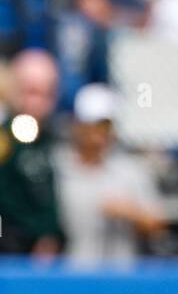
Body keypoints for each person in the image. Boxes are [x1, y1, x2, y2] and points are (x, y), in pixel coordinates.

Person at [55, 84, 165, 266]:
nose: (98, 133)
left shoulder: (131, 170)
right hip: (72, 275)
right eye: (93, 125)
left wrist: (130, 212)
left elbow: (157, 224)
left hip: (120, 277)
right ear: (78, 125)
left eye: (105, 125)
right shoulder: (59, 166)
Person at [0, 48, 63, 257]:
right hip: (12, 247)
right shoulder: (0, 140)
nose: (37, 102)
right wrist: (41, 232)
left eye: (46, 93)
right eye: (31, 91)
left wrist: (52, 234)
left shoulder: (54, 138)